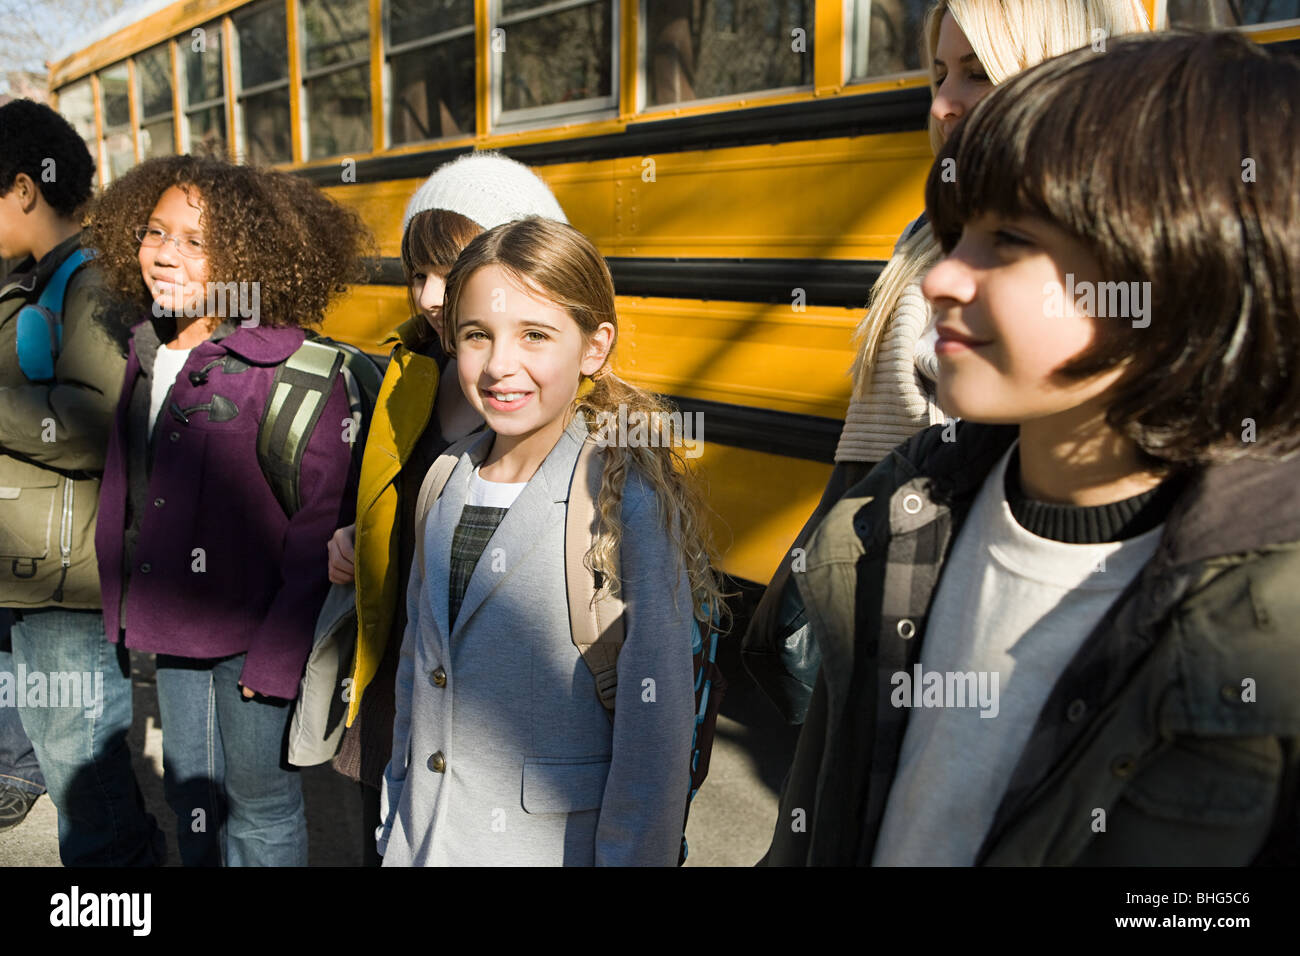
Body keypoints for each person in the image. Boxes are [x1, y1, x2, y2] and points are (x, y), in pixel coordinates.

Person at [764, 28, 1300, 866]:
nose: (941, 277)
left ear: (1185, 275)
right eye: (954, 235)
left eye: (1010, 242)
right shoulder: (896, 534)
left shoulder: (1268, 624)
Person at [742, 0, 1151, 724]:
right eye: (938, 73)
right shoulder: (928, 233)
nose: (944, 103)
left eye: (978, 72)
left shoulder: (1104, 263)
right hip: (878, 565)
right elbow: (873, 433)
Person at [377, 217, 723, 866]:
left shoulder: (625, 499)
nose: (501, 365)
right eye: (478, 335)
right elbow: (417, 670)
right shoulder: (445, 478)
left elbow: (656, 734)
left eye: (535, 335)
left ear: (594, 347)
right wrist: (396, 815)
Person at [87, 155, 370, 866]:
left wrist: (276, 656)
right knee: (193, 801)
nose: (165, 255)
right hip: (175, 628)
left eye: (195, 241)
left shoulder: (292, 368)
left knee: (261, 813)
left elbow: (317, 531)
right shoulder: (148, 347)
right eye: (155, 232)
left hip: (256, 640)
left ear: (247, 256)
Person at [322, 152, 569, 866]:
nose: (430, 295)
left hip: (495, 701)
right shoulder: (410, 368)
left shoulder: (538, 400)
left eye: (451, 270)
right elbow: (399, 494)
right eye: (416, 271)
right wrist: (359, 533)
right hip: (399, 666)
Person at [0, 99, 162, 864]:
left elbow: (91, 427)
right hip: (30, 565)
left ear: (24, 188)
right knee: (64, 755)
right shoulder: (37, 278)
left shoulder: (91, 285)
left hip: (64, 575)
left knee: (81, 770)